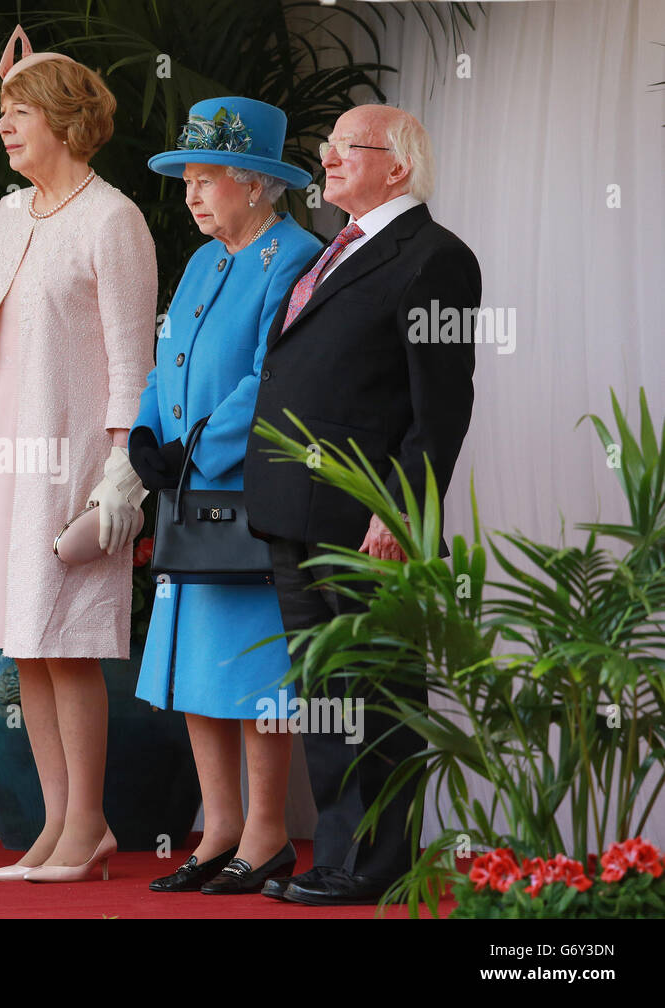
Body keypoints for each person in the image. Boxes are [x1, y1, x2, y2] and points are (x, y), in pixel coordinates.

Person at [244, 103, 480, 905]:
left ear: (399, 166)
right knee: (327, 695)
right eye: (329, 147)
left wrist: (399, 509)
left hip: (365, 522)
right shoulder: (339, 250)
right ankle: (340, 861)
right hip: (294, 507)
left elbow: (441, 405)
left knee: (374, 695)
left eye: (349, 147)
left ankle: (371, 868)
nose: (330, 158)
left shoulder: (437, 259)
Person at [0, 27, 155, 883]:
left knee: (69, 640)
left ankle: (89, 826)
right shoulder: (10, 213)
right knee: (24, 642)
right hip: (7, 459)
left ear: (68, 122)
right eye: (2, 112)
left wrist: (121, 474)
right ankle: (54, 828)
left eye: (19, 112)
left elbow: (131, 359)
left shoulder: (113, 219)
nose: (4, 126)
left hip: (76, 463)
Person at [130, 98, 322, 894]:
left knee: (257, 673)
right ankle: (220, 831)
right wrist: (144, 435)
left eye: (206, 181)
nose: (192, 197)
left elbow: (273, 376)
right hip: (184, 491)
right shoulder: (202, 260)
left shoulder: (298, 255)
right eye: (188, 183)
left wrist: (198, 446)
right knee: (197, 670)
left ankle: (270, 833)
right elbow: (167, 353)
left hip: (249, 492)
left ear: (254, 185)